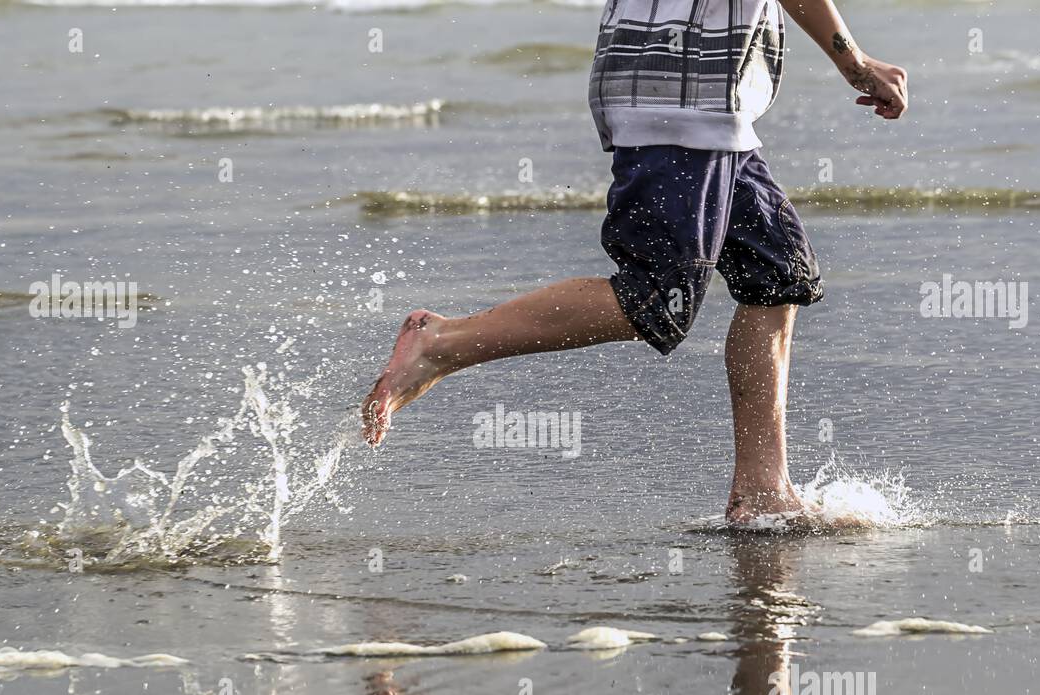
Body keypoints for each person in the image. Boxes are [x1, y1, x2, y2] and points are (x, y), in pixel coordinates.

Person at [361, 0, 907, 524]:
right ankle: (442, 344)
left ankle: (764, 489)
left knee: (777, 275)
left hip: (688, 96)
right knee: (653, 299)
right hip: (685, 101)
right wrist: (853, 63)